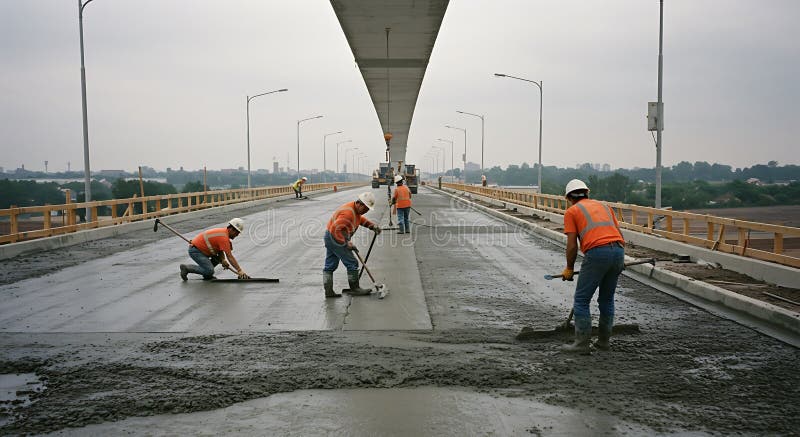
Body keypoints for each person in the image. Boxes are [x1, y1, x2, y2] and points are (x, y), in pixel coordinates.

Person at [560, 179, 625, 354]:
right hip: (618, 251)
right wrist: (619, 260)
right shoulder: (605, 206)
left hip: (597, 253)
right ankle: (603, 342)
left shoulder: (572, 211)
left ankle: (581, 344)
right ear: (587, 193)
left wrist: (569, 268)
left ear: (569, 198)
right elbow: (618, 233)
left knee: (581, 300)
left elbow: (572, 245)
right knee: (606, 299)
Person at [323, 192, 381, 298]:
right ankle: (355, 289)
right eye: (365, 209)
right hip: (335, 237)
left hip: (331, 237)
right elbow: (335, 229)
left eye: (368, 209)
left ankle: (328, 291)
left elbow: (359, 220)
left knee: (330, 265)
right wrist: (346, 243)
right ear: (359, 204)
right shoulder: (348, 213)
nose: (366, 211)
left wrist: (371, 226)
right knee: (352, 262)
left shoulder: (355, 211)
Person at [180, 218, 250, 281]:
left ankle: (207, 275)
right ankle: (186, 268)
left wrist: (223, 260)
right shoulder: (223, 238)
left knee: (219, 259)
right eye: (237, 233)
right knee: (210, 270)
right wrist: (239, 270)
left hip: (202, 250)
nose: (237, 235)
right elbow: (230, 256)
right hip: (196, 251)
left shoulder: (223, 233)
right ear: (232, 229)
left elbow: (220, 250)